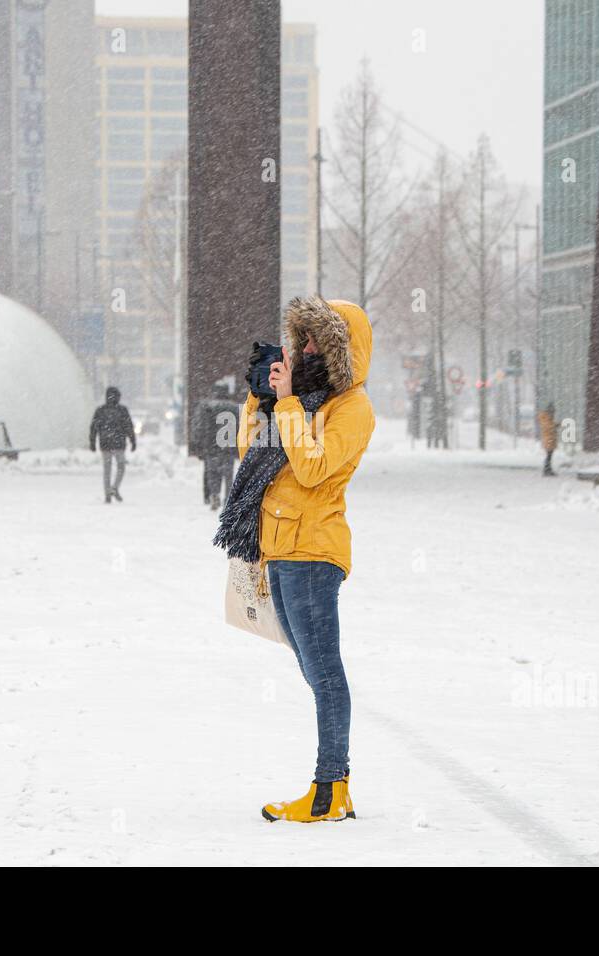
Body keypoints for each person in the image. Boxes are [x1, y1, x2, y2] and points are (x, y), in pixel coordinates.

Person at [215, 296, 375, 824]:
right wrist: (258, 401)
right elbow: (248, 457)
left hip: (313, 552)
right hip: (279, 548)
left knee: (325, 674)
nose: (304, 348)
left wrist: (285, 404)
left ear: (338, 351)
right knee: (314, 670)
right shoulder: (302, 400)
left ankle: (330, 790)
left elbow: (312, 470)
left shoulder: (351, 408)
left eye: (314, 341)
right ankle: (336, 790)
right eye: (302, 339)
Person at [194, 382, 240, 511]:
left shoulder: (207, 407)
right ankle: (228, 500)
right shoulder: (234, 408)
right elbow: (240, 428)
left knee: (213, 474)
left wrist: (199, 443)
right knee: (228, 475)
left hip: (212, 446)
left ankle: (214, 495)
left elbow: (200, 426)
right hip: (228, 447)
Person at [88, 386, 135, 503]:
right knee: (121, 467)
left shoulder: (100, 410)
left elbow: (94, 427)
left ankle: (107, 494)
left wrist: (92, 441)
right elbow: (128, 426)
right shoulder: (122, 410)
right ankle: (114, 488)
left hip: (105, 444)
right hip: (119, 443)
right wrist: (133, 440)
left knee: (107, 470)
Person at [538, 402, 558, 477]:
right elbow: (548, 427)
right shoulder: (545, 417)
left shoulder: (547, 418)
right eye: (553, 411)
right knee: (548, 456)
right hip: (548, 440)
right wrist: (555, 426)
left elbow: (549, 426)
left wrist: (555, 425)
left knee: (549, 456)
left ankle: (548, 469)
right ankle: (547, 470)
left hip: (550, 439)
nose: (553, 413)